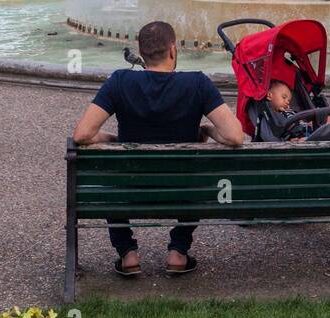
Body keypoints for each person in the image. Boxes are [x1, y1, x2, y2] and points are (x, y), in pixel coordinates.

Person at [72, 20, 243, 277]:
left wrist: (115, 141)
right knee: (203, 182)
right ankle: (178, 251)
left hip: (130, 190)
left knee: (108, 183)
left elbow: (82, 134)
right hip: (183, 191)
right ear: (173, 50)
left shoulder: (120, 81)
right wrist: (206, 130)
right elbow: (235, 137)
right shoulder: (197, 83)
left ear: (141, 53)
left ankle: (127, 253)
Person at [264, 79, 330, 141]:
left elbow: (300, 120)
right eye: (284, 97)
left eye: (289, 101)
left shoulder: (289, 111)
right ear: (269, 95)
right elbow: (279, 134)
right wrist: (288, 141)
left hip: (305, 128)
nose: (287, 102)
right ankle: (313, 139)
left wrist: (309, 123)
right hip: (296, 135)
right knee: (301, 140)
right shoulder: (271, 115)